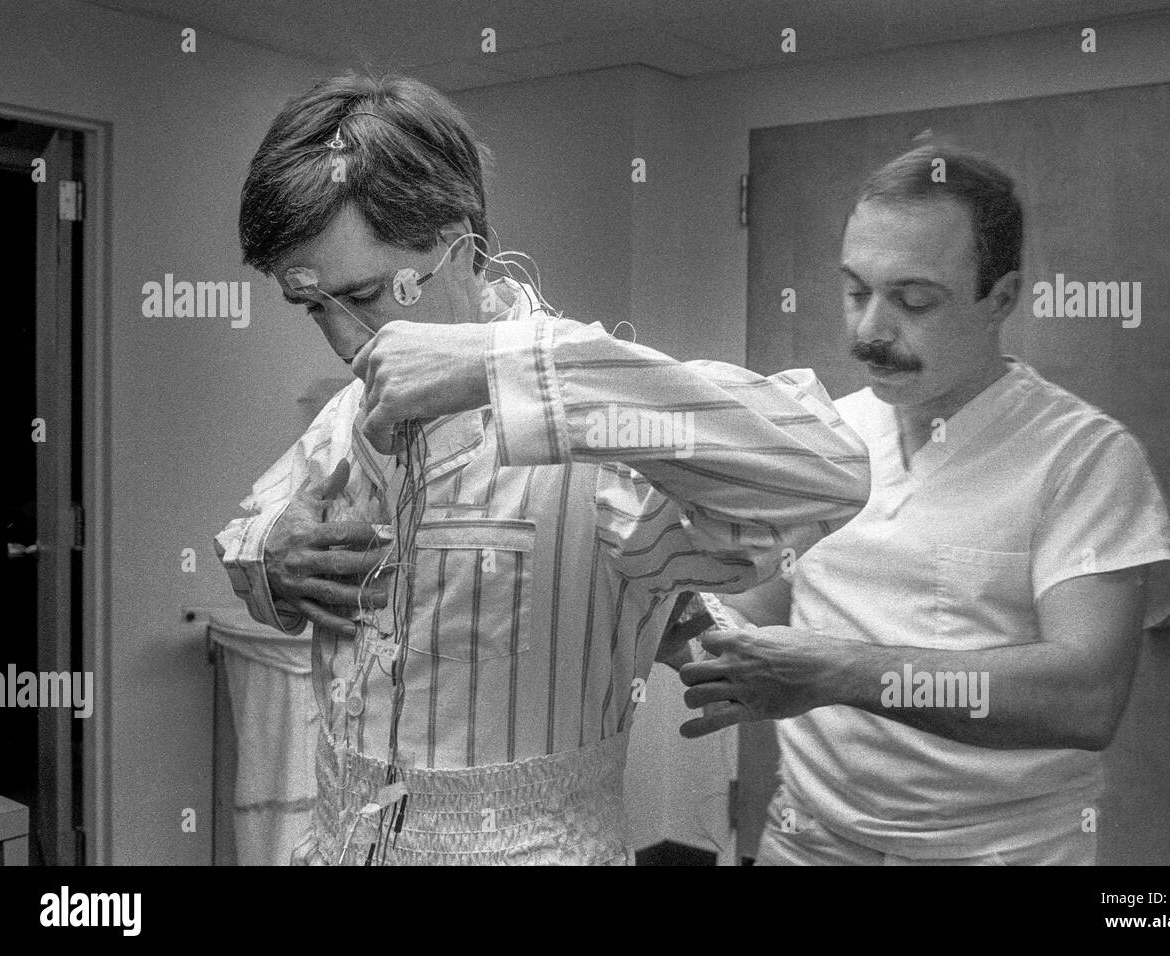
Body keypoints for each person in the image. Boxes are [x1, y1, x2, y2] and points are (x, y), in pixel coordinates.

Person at [213, 71, 870, 865]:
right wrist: (271, 559)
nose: (349, 342)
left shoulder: (598, 432)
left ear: (464, 243)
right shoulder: (347, 416)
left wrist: (505, 369)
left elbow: (828, 467)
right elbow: (251, 530)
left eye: (369, 295)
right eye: (316, 307)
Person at [679, 144, 1170, 866]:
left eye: (914, 301)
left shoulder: (1083, 457)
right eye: (857, 292)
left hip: (997, 852)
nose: (869, 332)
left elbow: (1087, 697)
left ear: (1001, 298)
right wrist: (660, 601)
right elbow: (749, 611)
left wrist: (837, 673)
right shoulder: (824, 436)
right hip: (808, 838)